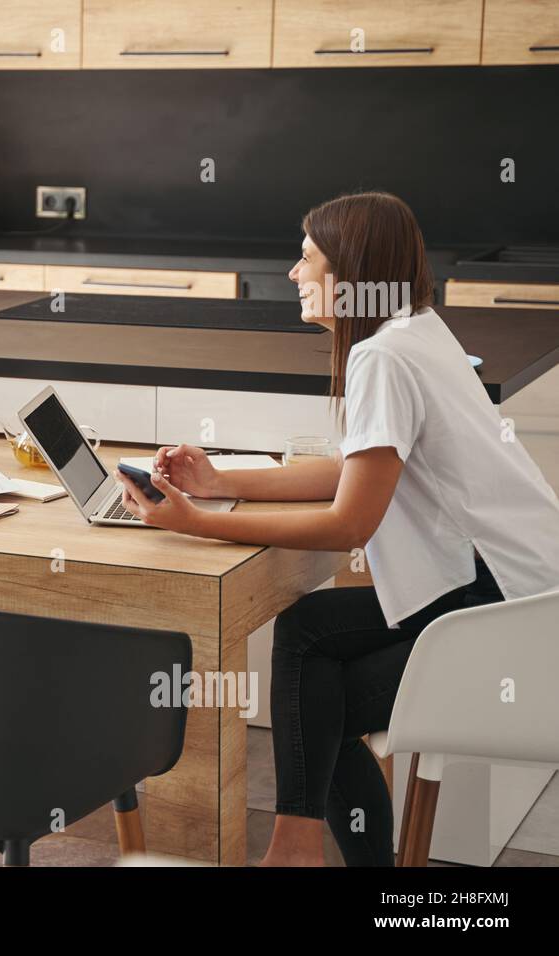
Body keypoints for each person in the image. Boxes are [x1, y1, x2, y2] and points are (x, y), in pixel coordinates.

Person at [114, 191, 559, 866]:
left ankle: (299, 848)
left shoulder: (384, 357)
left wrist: (198, 524)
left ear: (348, 271)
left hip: (512, 614)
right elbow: (356, 469)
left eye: (305, 258)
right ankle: (304, 847)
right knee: (305, 638)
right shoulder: (414, 329)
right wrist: (221, 483)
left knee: (319, 705)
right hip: (511, 585)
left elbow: (350, 520)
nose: (294, 274)